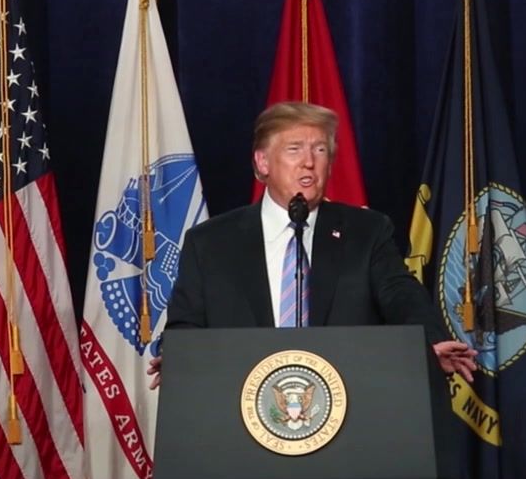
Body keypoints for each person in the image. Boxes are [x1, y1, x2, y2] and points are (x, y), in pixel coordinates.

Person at [148, 102, 476, 388]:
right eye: (294, 149)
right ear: (262, 163)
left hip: (349, 415)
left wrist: (429, 342)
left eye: (319, 150)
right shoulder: (210, 243)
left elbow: (403, 297)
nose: (309, 162)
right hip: (239, 419)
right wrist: (180, 357)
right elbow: (185, 323)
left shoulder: (366, 231)